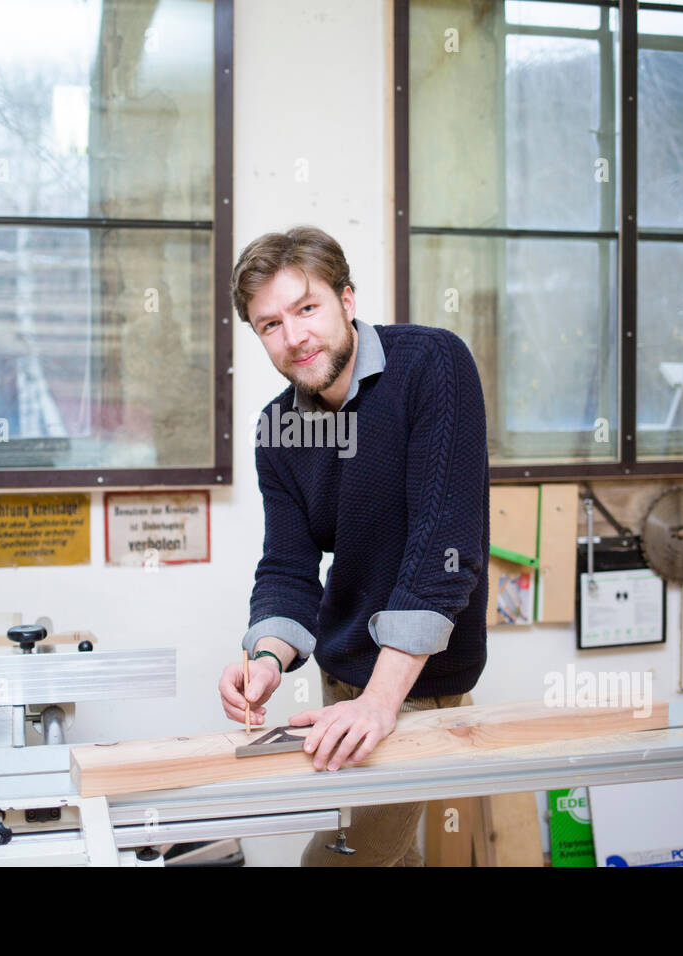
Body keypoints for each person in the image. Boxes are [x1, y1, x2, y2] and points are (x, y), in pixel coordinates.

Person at [217, 225, 490, 866]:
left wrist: (381, 701)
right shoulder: (277, 427)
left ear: (347, 299)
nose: (294, 337)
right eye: (270, 325)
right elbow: (287, 566)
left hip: (419, 686)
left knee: (335, 864)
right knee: (392, 860)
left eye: (306, 309)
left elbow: (443, 552)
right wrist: (264, 659)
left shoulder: (432, 365)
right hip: (342, 682)